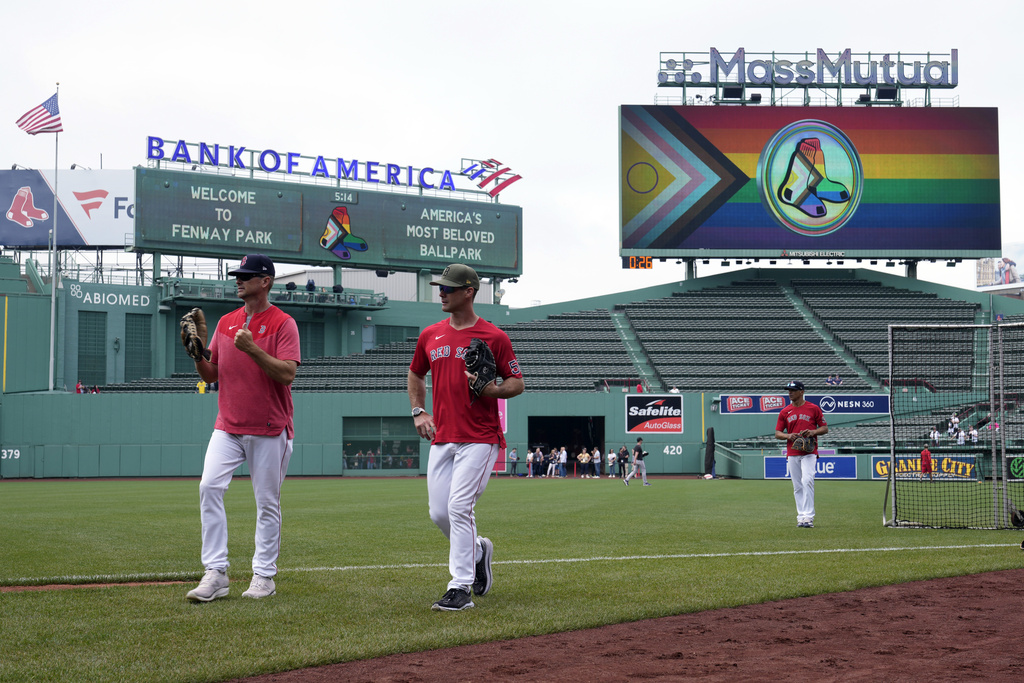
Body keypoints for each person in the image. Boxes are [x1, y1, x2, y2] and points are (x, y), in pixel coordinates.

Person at [407, 263, 524, 612]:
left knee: (459, 507)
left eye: (448, 288)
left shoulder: (494, 336)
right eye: (440, 287)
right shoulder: (430, 334)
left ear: (468, 292)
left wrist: (493, 389)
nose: (441, 292)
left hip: (480, 436)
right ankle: (478, 552)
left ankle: (460, 588)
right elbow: (415, 374)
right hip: (442, 436)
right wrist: (418, 410)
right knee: (438, 513)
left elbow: (517, 383)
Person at [185, 254, 301, 602]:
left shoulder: (283, 323)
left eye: (247, 275)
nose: (239, 280)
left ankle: (264, 576)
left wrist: (252, 349)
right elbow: (212, 374)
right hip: (228, 425)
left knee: (266, 503)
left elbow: (287, 374)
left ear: (265, 281)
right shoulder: (226, 322)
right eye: (238, 275)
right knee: (209, 487)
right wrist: (196, 355)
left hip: (269, 427)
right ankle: (216, 573)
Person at [775, 380, 828, 528]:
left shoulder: (813, 408)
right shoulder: (785, 411)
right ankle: (801, 517)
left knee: (807, 481)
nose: (790, 392)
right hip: (792, 452)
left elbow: (824, 428)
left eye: (793, 390)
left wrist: (813, 432)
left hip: (809, 452)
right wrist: (788, 436)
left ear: (802, 392)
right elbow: (777, 433)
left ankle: (809, 517)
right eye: (788, 390)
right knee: (797, 486)